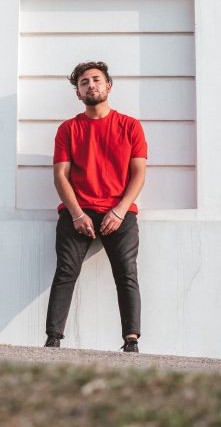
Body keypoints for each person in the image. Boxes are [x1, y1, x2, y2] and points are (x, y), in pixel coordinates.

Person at [44, 60, 147, 353]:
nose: (91, 85)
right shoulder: (68, 129)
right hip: (78, 211)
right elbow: (60, 176)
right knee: (66, 270)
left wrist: (119, 210)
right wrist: (77, 214)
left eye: (96, 80)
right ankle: (53, 339)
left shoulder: (130, 126)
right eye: (84, 82)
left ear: (108, 86)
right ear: (78, 93)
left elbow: (139, 174)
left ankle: (131, 340)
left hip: (120, 211)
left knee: (126, 272)